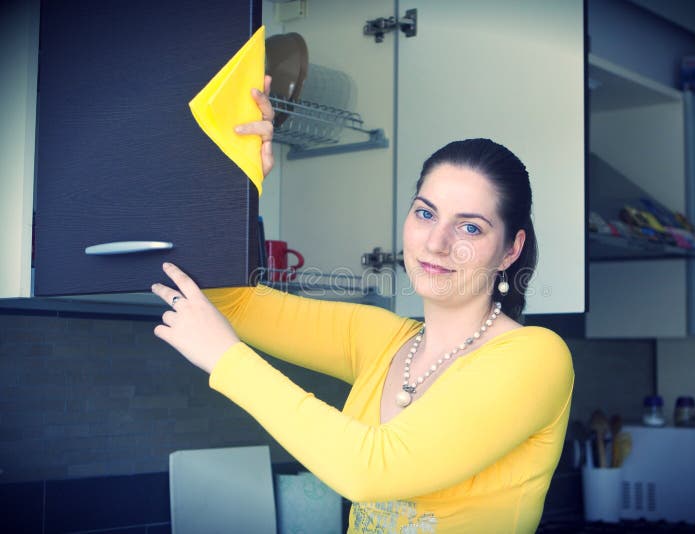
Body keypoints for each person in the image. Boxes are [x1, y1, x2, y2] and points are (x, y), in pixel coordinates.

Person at [151, 76, 574, 533]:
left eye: (470, 228)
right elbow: (230, 301)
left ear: (511, 250)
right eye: (425, 213)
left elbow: (371, 471)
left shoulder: (536, 357)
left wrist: (227, 361)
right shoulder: (380, 340)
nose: (436, 242)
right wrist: (236, 179)